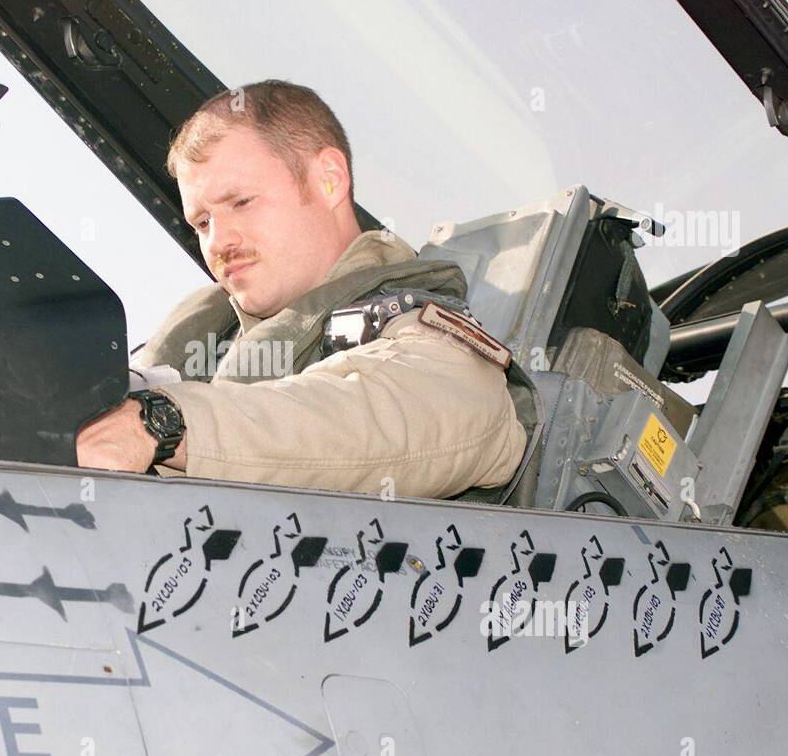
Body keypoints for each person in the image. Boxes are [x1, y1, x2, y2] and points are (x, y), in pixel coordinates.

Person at [76, 80, 526, 499]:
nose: (218, 242)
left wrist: (160, 424)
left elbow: (419, 414)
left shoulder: (426, 339)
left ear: (329, 179)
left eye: (241, 202)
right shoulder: (201, 347)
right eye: (203, 222)